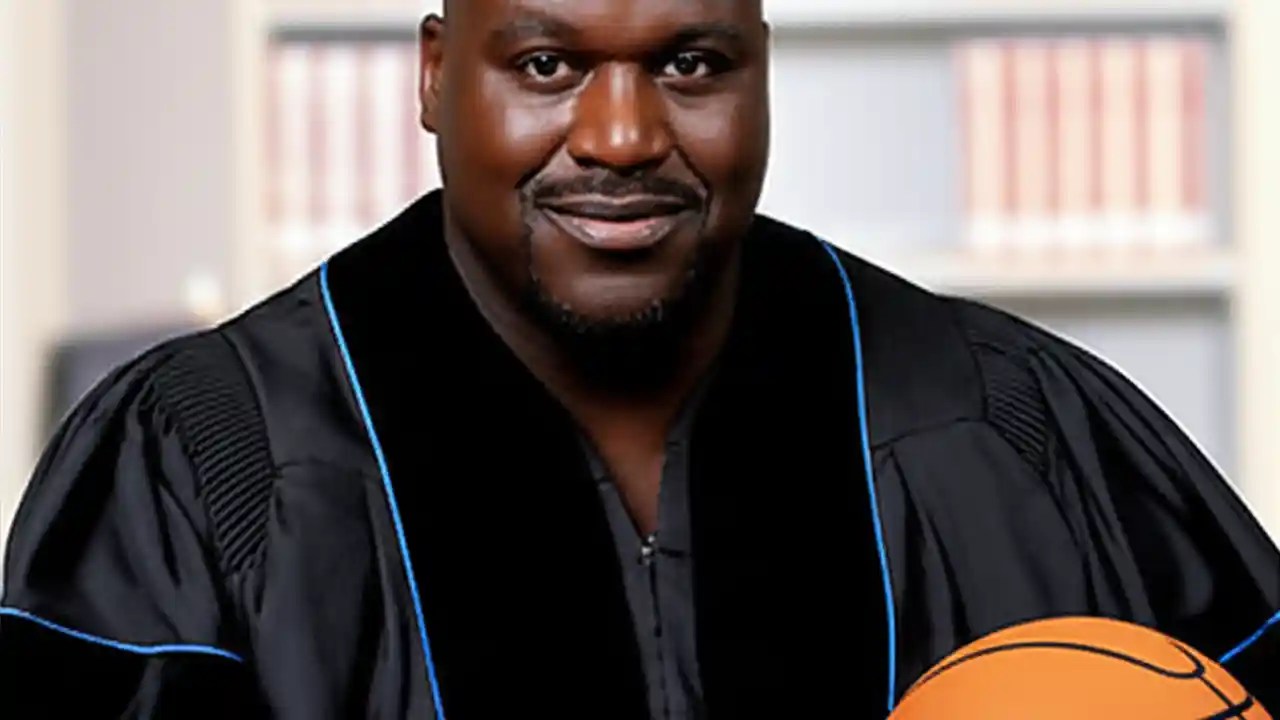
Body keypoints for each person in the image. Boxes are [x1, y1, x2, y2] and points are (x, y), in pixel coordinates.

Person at [2, 0, 1277, 717]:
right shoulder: (201, 457)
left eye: (690, 64)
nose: (619, 136)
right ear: (439, 77)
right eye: (548, 65)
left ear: (764, 69)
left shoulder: (1011, 425)